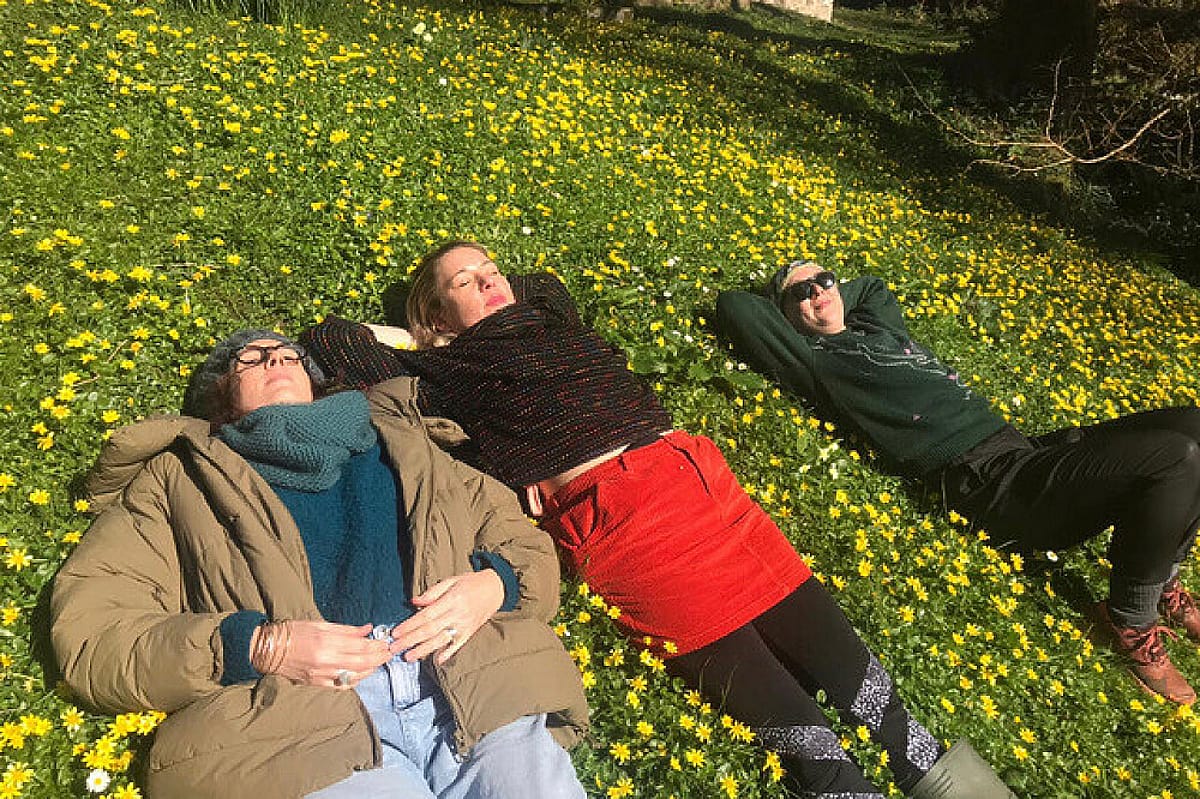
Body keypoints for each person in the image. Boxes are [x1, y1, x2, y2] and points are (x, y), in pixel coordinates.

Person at [301, 240, 1018, 799]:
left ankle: (924, 760)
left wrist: (482, 293)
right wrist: (412, 337)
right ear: (433, 316)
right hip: (616, 512)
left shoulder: (547, 314)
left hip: (692, 475)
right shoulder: (446, 372)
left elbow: (544, 283)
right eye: (465, 280)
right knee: (799, 732)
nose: (491, 279)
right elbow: (333, 341)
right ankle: (840, 785)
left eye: (491, 268)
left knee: (841, 654)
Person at [50, 329, 588, 799]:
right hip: (301, 726)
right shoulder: (179, 479)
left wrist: (493, 586)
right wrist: (258, 646)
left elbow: (522, 541)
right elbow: (94, 635)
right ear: (220, 394)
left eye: (287, 355)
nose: (275, 363)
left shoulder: (404, 442)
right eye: (251, 359)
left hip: (474, 686)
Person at [715, 261, 1200, 706]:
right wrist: (800, 310)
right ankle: (1129, 618)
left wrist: (826, 296)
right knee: (1174, 460)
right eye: (802, 291)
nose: (819, 292)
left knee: (1193, 425)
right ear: (785, 313)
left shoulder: (880, 330)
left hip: (1022, 451)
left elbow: (874, 288)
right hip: (990, 485)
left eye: (826, 280)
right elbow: (735, 306)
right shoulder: (818, 363)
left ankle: (1159, 576)